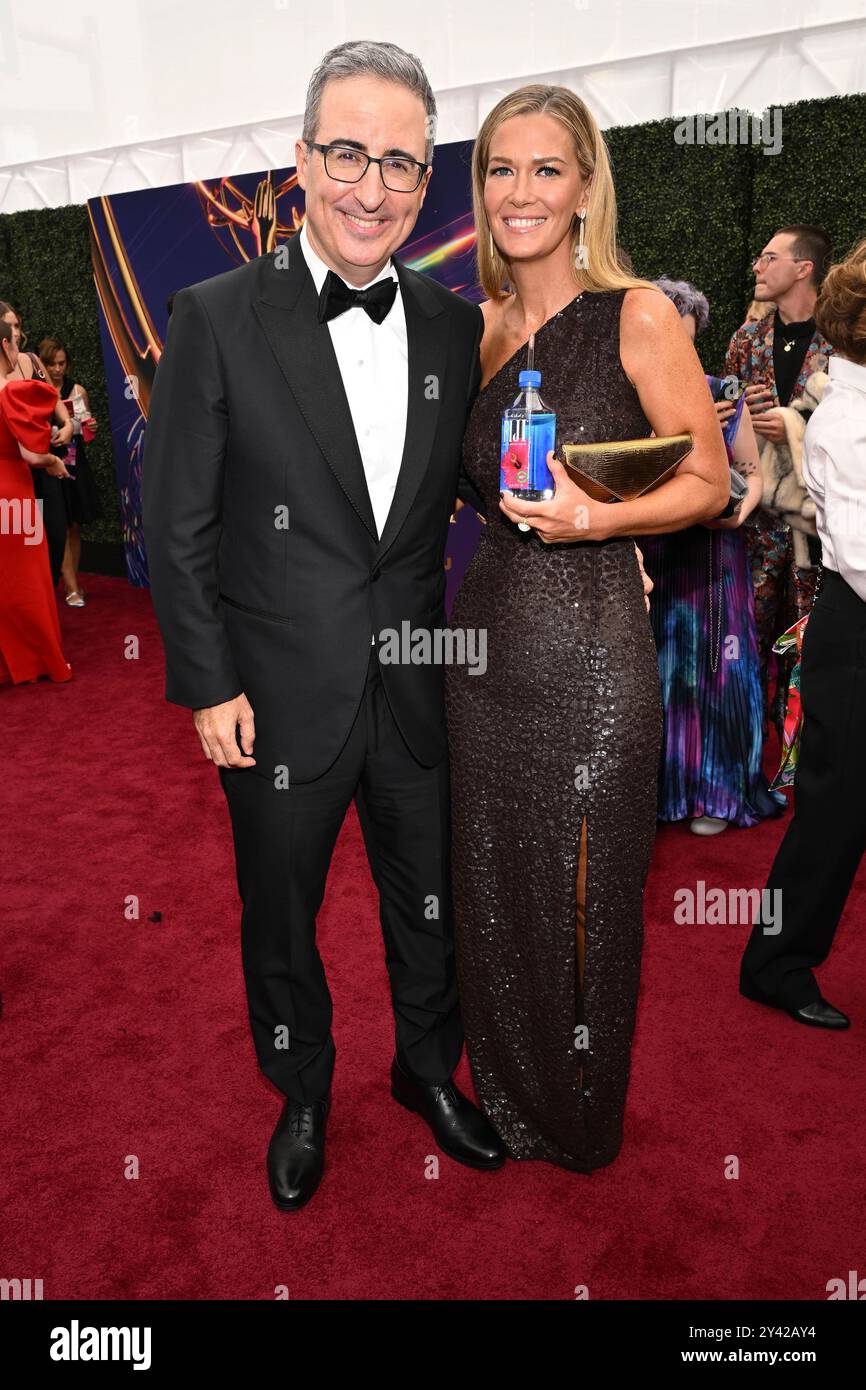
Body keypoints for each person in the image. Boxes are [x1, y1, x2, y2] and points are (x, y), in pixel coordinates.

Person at [142, 39, 507, 1213]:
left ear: (423, 180)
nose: (372, 185)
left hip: (413, 678)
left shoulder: (452, 326)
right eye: (347, 151)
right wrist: (205, 685)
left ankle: (425, 1070)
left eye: (400, 162)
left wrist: (593, 538)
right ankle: (302, 1088)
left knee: (427, 897)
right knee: (281, 910)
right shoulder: (211, 316)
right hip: (273, 693)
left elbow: (476, 491)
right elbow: (178, 519)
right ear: (301, 160)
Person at [444, 85, 728, 1171]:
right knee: (491, 874)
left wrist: (598, 519)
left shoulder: (636, 314)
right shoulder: (473, 334)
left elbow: (705, 478)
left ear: (583, 188)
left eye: (544, 169)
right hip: (485, 646)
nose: (519, 192)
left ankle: (575, 1110)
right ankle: (506, 1089)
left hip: (594, 649)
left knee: (581, 882)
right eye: (500, 170)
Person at [739, 236, 866, 1030]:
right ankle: (775, 964)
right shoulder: (847, 419)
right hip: (855, 637)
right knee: (834, 813)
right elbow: (857, 555)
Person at [639, 278, 784, 835]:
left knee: (718, 670)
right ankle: (654, 789)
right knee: (656, 671)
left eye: (690, 339)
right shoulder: (626, 398)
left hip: (715, 555)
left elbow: (750, 471)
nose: (681, 351)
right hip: (653, 552)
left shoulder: (723, 391)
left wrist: (735, 513)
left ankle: (715, 793)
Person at [725, 227, 834, 736]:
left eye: (769, 258)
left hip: (822, 524)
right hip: (756, 523)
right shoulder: (746, 341)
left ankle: (802, 751)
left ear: (803, 268)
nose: (758, 267)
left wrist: (796, 427)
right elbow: (723, 423)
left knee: (813, 646)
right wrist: (740, 417)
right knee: (744, 639)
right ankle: (744, 755)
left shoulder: (844, 342)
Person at [0, 319, 72, 686]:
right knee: (28, 579)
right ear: (4, 344)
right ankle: (41, 661)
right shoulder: (9, 392)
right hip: (11, 492)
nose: (20, 347)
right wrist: (55, 462)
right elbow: (32, 455)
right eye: (16, 340)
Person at [0, 303, 73, 588]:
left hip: (38, 468)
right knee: (22, 548)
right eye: (11, 326)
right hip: (23, 468)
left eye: (18, 325)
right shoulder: (6, 385)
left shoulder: (30, 360)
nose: (18, 332)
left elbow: (54, 399)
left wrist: (67, 425)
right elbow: (26, 450)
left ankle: (45, 591)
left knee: (54, 532)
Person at [39, 337, 101, 607]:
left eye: (61, 363)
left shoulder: (77, 390)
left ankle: (71, 582)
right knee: (60, 527)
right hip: (49, 466)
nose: (57, 369)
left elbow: (86, 434)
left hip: (76, 465)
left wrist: (89, 428)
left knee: (74, 526)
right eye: (52, 364)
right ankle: (72, 587)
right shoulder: (36, 391)